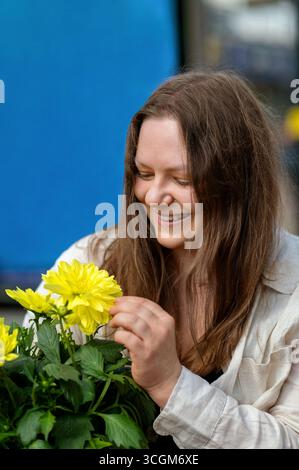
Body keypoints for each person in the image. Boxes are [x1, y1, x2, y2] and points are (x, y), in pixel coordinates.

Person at [24, 71, 299, 449]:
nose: (154, 196)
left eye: (181, 179)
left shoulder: (293, 284)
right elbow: (25, 404)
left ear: (237, 178)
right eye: (144, 173)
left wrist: (170, 384)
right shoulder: (89, 262)